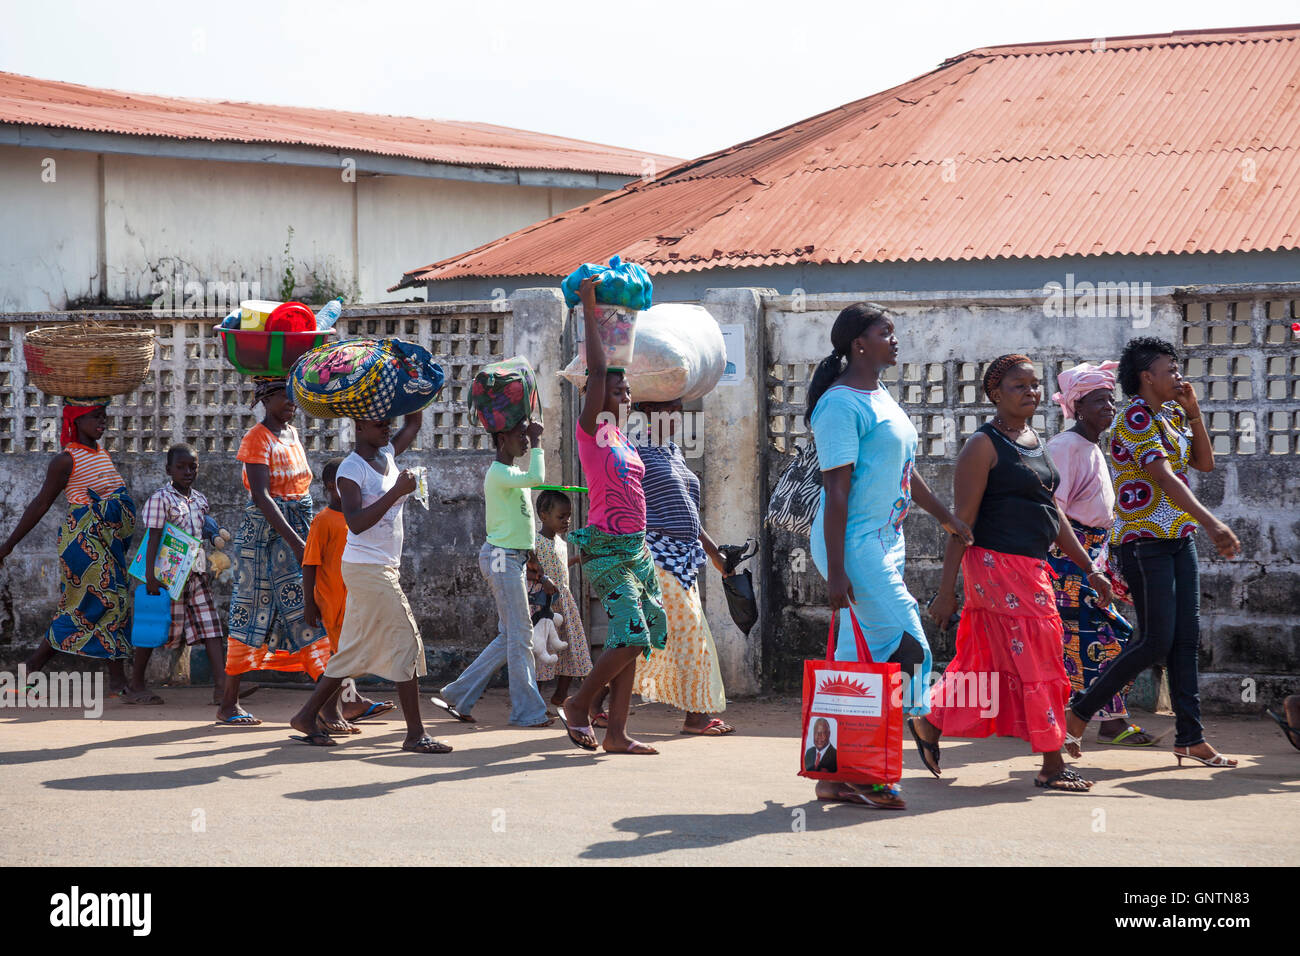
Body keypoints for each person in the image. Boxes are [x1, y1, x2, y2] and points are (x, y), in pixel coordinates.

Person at [911, 354, 1115, 792]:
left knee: (987, 657)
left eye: (1035, 385)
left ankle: (930, 722)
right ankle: (1051, 763)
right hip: (994, 564)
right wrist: (947, 594)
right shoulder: (981, 446)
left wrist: (1089, 568)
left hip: (1032, 564)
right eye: (1019, 386)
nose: (1031, 392)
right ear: (995, 394)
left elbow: (1051, 513)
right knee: (1041, 652)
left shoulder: (1035, 439)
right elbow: (959, 526)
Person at [807, 303, 973, 809]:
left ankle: (834, 773)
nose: (895, 340)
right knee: (908, 650)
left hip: (884, 542)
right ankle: (909, 731)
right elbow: (836, 492)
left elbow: (905, 471)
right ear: (859, 343)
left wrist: (947, 518)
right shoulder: (840, 405)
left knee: (854, 662)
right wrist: (836, 572)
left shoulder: (879, 395)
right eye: (886, 332)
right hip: (852, 547)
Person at [1063, 338, 1242, 769]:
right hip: (1144, 542)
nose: (1179, 376)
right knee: (1154, 639)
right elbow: (1164, 478)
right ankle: (1079, 714)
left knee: (1185, 640)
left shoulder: (1172, 413)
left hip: (1178, 538)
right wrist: (1212, 521)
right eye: (1170, 369)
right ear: (1147, 376)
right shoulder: (1134, 419)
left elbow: (1204, 464)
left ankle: (1190, 738)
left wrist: (1195, 413)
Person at [289, 415, 452, 753]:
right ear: (359, 428)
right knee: (406, 642)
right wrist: (396, 492)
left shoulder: (387, 455)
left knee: (350, 649)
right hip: (367, 569)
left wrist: (415, 386)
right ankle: (415, 734)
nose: (386, 428)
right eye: (379, 425)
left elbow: (413, 424)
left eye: (387, 423)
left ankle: (306, 715)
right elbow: (357, 523)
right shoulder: (351, 470)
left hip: (381, 567)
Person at [558, 275, 667, 755]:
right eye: (614, 389)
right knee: (630, 632)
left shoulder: (620, 438)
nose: (622, 394)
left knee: (640, 639)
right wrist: (588, 306)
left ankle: (617, 733)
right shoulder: (590, 432)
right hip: (606, 548)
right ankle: (580, 703)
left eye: (624, 390)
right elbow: (598, 374)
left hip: (636, 549)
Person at [0, 399, 145, 699]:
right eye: (95, 417)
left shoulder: (100, 452)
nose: (102, 422)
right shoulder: (66, 460)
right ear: (76, 420)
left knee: (112, 603)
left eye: (104, 416)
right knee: (97, 603)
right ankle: (40, 665)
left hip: (106, 544)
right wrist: (9, 545)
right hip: (84, 544)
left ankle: (111, 680)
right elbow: (41, 503)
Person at [1046, 362, 1156, 747]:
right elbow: (1053, 509)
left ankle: (1088, 715)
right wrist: (1087, 563)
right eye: (1098, 401)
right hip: (1071, 559)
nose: (1109, 407)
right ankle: (1108, 721)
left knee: (1087, 640)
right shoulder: (1065, 447)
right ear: (1077, 406)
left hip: (1092, 554)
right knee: (1108, 637)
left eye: (1111, 399)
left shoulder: (1090, 446)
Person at [218, 378, 332, 726]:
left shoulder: (292, 434)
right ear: (265, 399)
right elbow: (262, 497)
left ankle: (340, 700)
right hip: (265, 541)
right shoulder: (256, 438)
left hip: (298, 531)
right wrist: (299, 543)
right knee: (251, 615)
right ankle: (228, 705)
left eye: (293, 395)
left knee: (314, 611)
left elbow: (300, 488)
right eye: (284, 395)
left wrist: (306, 538)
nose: (291, 402)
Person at [433, 418, 554, 728]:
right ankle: (527, 712)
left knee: (510, 635)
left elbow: (521, 523)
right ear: (502, 439)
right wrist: (540, 442)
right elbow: (538, 476)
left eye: (528, 437)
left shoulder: (510, 474)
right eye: (520, 435)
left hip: (510, 558)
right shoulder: (500, 473)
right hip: (501, 558)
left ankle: (457, 696)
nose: (526, 441)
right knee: (520, 634)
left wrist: (534, 564)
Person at [630, 398, 736, 736]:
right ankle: (696, 716)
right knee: (690, 629)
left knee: (647, 636)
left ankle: (593, 703)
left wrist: (716, 553)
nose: (677, 415)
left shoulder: (672, 451)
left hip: (683, 558)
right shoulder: (635, 451)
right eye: (670, 409)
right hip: (654, 554)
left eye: (678, 409)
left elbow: (688, 510)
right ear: (647, 412)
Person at [141, 443, 248, 707]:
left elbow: (201, 536)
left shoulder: (199, 500)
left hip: (196, 574)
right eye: (181, 467)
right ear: (169, 469)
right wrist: (150, 576)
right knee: (156, 628)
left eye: (192, 467)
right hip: (168, 576)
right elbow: (153, 537)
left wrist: (209, 564)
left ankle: (222, 687)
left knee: (211, 627)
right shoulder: (161, 499)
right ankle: (135, 683)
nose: (187, 472)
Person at [301, 457, 397, 733]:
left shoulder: (357, 519)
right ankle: (328, 711)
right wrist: (310, 603)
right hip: (332, 602)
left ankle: (342, 706)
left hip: (355, 600)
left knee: (346, 655)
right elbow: (310, 564)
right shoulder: (323, 521)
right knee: (340, 657)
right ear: (334, 485)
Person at [532, 491, 593, 711]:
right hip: (544, 605)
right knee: (543, 651)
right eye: (561, 516)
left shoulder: (560, 542)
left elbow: (558, 566)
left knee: (572, 648)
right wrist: (543, 580)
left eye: (568, 516)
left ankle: (560, 695)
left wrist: (577, 559)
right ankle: (535, 701)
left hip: (565, 603)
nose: (566, 521)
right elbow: (530, 570)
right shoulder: (535, 542)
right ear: (543, 515)